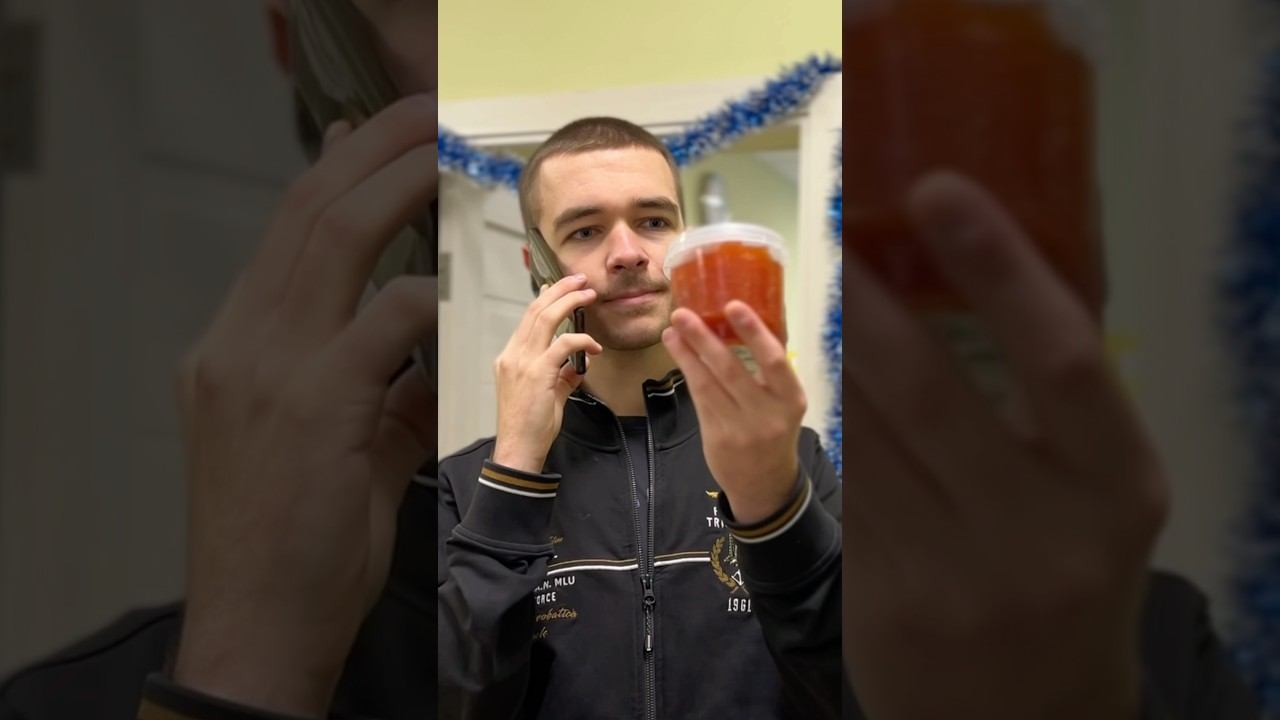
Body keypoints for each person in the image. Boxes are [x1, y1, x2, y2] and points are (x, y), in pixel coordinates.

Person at [435, 117, 842, 719]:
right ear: (536, 264)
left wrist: (771, 504)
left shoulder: (786, 456)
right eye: (585, 230)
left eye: (653, 222)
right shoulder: (468, 485)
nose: (628, 253)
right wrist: (515, 469)